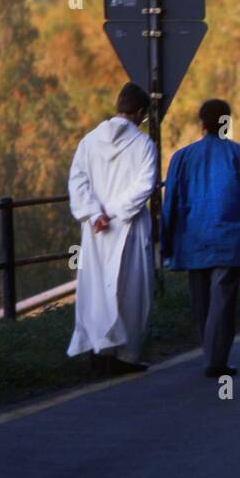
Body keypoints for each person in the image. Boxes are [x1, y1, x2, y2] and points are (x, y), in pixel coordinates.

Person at [161, 98, 240, 377]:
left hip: (193, 241)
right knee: (222, 301)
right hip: (230, 240)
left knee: (202, 301)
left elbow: (170, 205)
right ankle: (216, 359)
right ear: (226, 122)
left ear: (201, 124)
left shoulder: (181, 158)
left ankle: (211, 352)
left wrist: (166, 244)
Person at [67, 81, 157, 376]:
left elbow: (77, 182)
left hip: (96, 232)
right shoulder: (144, 145)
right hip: (128, 229)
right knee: (131, 291)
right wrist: (116, 212)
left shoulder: (88, 141)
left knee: (96, 290)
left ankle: (98, 350)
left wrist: (95, 213)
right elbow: (145, 185)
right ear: (141, 112)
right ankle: (124, 356)